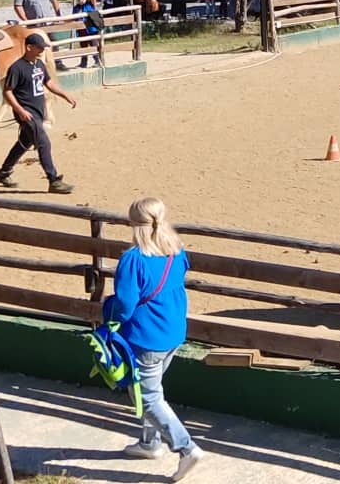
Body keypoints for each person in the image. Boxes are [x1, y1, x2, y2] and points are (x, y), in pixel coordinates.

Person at [109, 196, 204, 480]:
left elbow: (125, 305)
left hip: (145, 337)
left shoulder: (133, 259)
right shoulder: (176, 250)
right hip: (173, 331)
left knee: (148, 397)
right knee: (153, 389)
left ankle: (186, 448)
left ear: (133, 224)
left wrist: (110, 324)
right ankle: (150, 443)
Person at [0, 33, 77, 194]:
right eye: (39, 47)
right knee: (43, 142)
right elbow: (8, 91)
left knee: (24, 142)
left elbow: (48, 82)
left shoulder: (39, 64)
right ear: (29, 47)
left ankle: (3, 173)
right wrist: (20, 110)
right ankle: (53, 180)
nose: (42, 50)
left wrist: (65, 95)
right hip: (27, 113)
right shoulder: (17, 68)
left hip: (38, 112)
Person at [74, 0, 102, 68]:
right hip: (81, 30)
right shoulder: (76, 8)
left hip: (91, 30)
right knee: (83, 46)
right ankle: (83, 62)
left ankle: (97, 60)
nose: (80, 0)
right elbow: (72, 18)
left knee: (93, 45)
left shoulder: (90, 5)